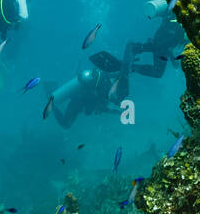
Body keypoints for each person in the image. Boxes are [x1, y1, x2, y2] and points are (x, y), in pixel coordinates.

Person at [48, 14, 185, 128]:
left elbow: (100, 105)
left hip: (85, 95)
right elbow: (97, 103)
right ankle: (51, 100)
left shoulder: (105, 90)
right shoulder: (102, 89)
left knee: (67, 123)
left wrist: (115, 111)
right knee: (66, 124)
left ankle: (52, 95)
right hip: (80, 97)